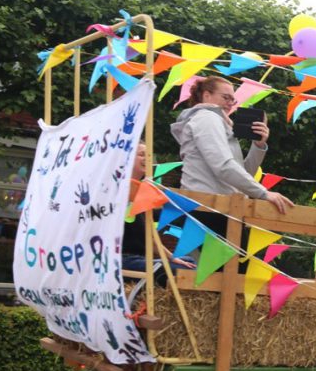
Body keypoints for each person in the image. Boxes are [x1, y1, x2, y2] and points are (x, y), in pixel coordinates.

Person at [170, 76, 293, 215]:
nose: (230, 103)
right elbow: (223, 166)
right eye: (226, 97)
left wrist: (258, 145)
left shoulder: (221, 124)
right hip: (206, 207)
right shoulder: (207, 118)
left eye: (232, 99)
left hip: (221, 207)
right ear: (206, 95)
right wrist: (264, 193)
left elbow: (243, 173)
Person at [122, 142, 195, 274]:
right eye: (141, 154)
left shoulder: (143, 193)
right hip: (122, 259)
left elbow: (151, 241)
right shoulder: (118, 190)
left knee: (188, 262)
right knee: (179, 269)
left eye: (149, 155)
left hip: (141, 259)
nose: (146, 158)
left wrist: (173, 258)